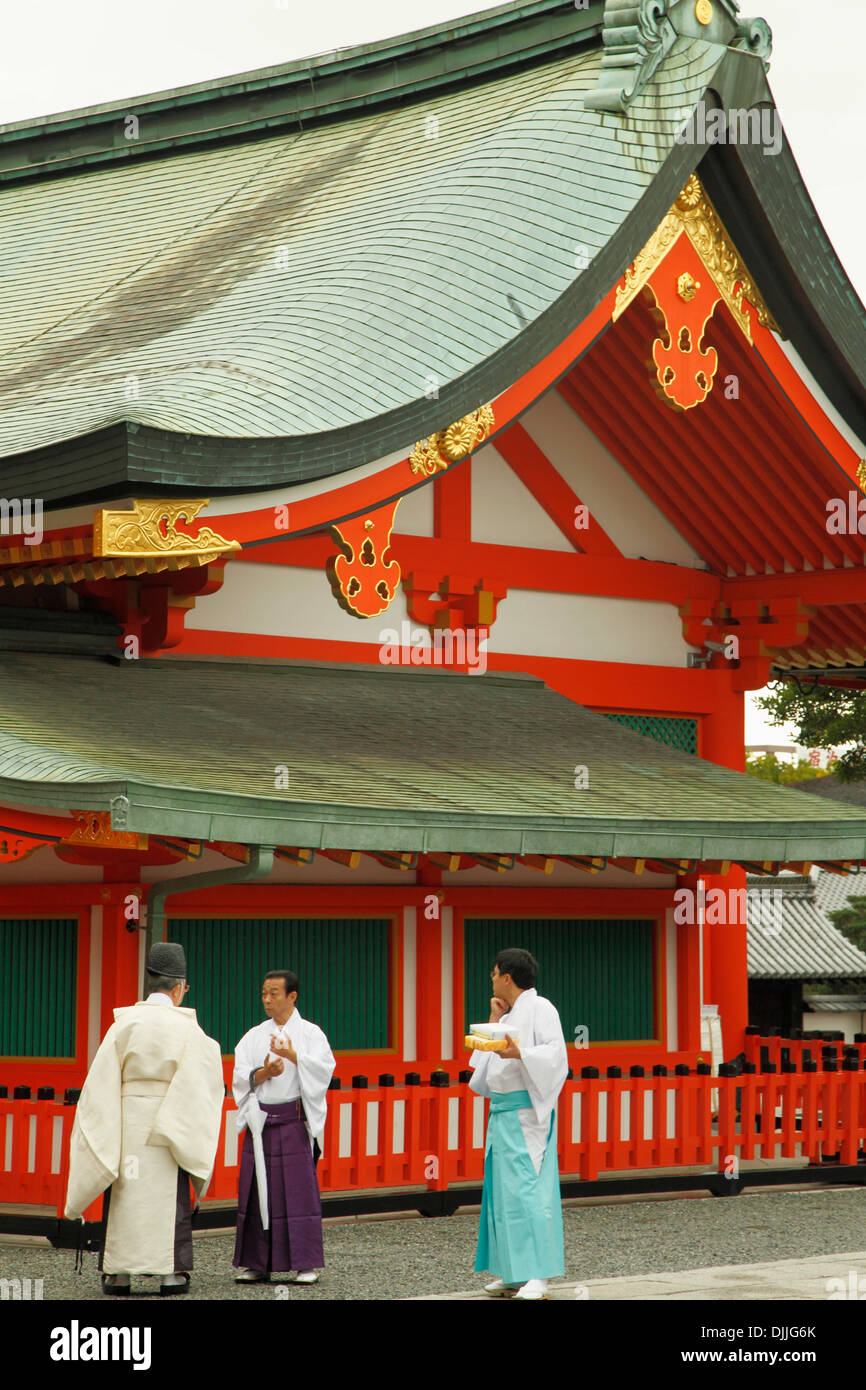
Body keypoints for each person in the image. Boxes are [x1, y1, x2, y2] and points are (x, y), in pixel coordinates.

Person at [64, 941, 225, 1296]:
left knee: (124, 1193)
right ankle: (170, 1274)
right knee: (168, 1198)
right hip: (172, 1121)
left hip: (127, 1123)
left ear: (150, 983)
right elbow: (205, 1080)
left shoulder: (124, 1024)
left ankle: (118, 1274)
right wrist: (179, 1122)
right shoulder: (188, 1030)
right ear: (180, 986)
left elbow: (100, 1083)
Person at [469, 946, 568, 1300]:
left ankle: (538, 1274)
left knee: (529, 1192)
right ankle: (513, 1272)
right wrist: (495, 1023)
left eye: (494, 973)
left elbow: (557, 1056)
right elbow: (482, 1068)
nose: (491, 978)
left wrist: (520, 1052)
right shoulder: (510, 1015)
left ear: (506, 977)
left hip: (526, 1113)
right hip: (503, 1113)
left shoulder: (541, 1008)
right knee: (502, 1194)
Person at [232, 969, 336, 1285]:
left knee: (298, 1193)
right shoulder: (253, 1035)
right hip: (260, 1122)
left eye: (274, 993)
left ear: (292, 996)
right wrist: (264, 1072)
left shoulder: (310, 1034)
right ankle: (256, 1262)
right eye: (264, 993)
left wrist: (291, 1055)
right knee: (255, 1193)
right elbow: (240, 1077)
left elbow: (324, 1072)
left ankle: (304, 1263)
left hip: (292, 1121)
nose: (267, 999)